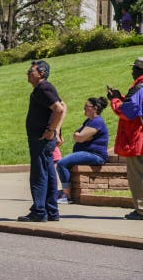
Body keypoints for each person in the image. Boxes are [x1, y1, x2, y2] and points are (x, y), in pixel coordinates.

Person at [19, 60, 66, 222]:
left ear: (41, 73)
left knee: (39, 175)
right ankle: (51, 211)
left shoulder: (44, 88)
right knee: (49, 173)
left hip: (41, 139)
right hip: (44, 139)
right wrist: (56, 130)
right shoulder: (43, 89)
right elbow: (61, 107)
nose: (28, 73)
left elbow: (59, 109)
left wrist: (52, 130)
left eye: (31, 71)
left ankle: (39, 211)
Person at [108, 57, 143, 220]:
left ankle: (141, 210)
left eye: (134, 68)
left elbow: (129, 112)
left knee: (137, 176)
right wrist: (122, 97)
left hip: (137, 138)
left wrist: (114, 100)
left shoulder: (139, 86)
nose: (132, 71)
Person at [56, 97, 109, 203]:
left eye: (86, 107)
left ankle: (67, 196)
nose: (84, 109)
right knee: (64, 163)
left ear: (95, 108)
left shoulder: (97, 121)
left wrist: (79, 136)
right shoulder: (89, 121)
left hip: (95, 155)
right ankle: (65, 192)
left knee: (62, 163)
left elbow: (79, 138)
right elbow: (76, 136)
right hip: (88, 153)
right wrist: (79, 135)